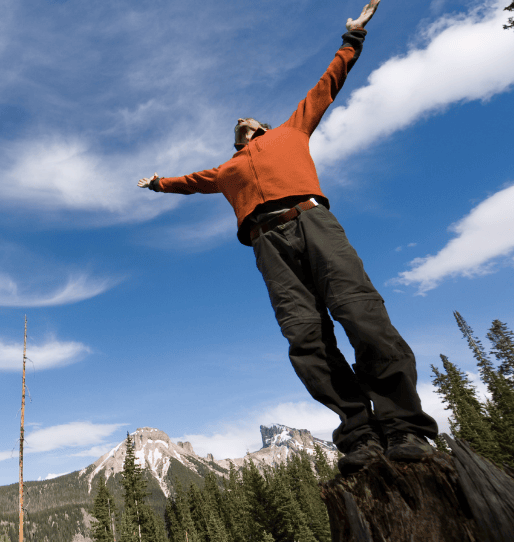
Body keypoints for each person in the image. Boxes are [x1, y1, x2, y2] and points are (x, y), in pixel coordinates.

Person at [138, 0, 438, 475]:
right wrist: (158, 184)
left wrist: (353, 38)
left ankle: (403, 426)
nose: (242, 119)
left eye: (250, 118)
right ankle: (360, 435)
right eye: (237, 125)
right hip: (267, 245)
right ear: (236, 141)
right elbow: (189, 182)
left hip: (313, 222)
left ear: (262, 127)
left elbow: (328, 84)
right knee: (306, 338)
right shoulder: (225, 170)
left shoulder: (293, 130)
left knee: (361, 313)